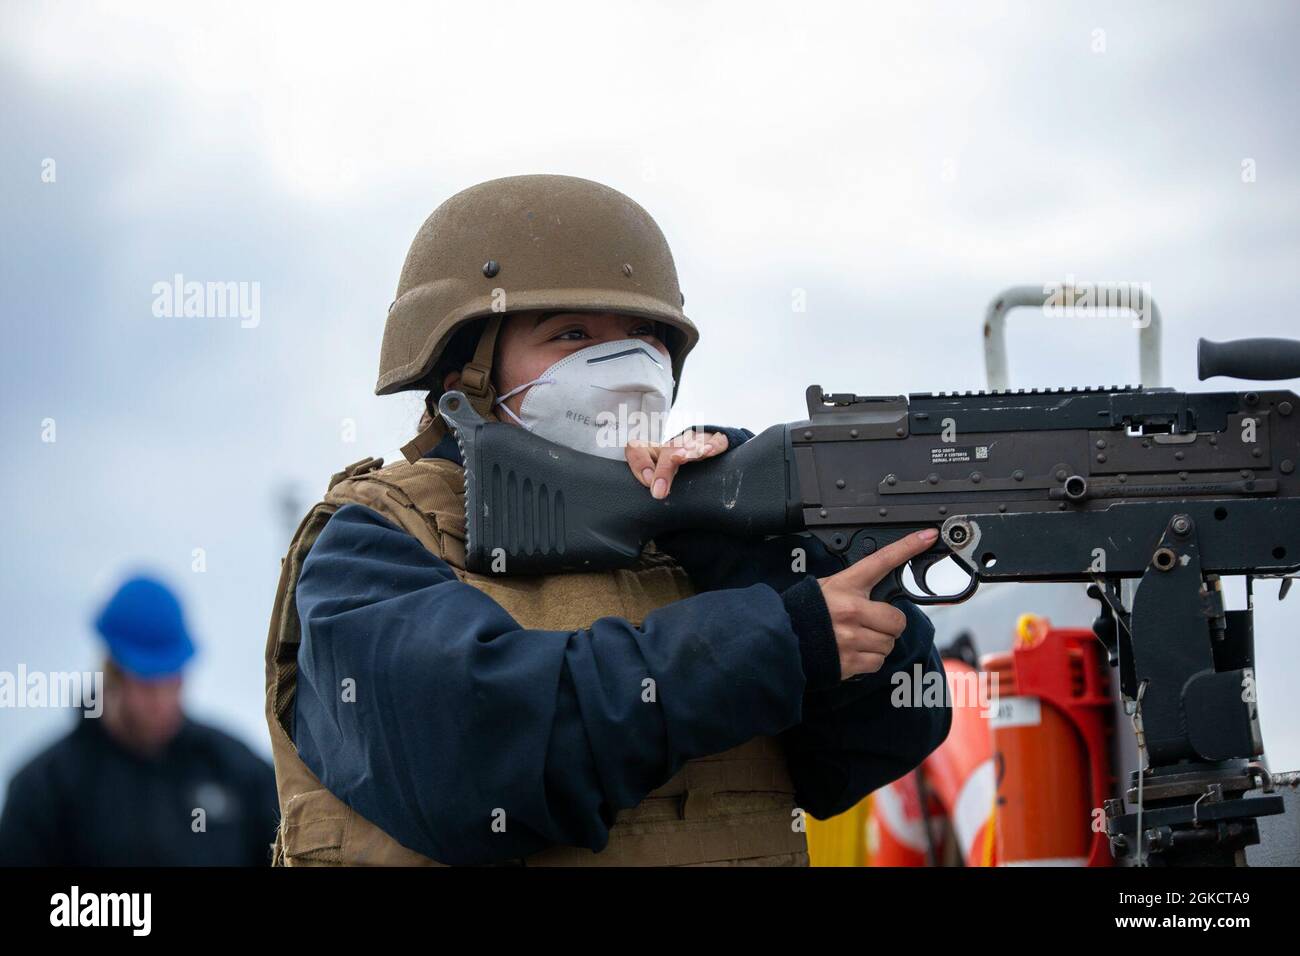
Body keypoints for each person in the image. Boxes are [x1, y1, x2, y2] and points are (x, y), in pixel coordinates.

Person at [264, 174, 951, 867]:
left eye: (643, 336)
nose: (624, 364)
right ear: (461, 376)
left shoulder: (684, 536)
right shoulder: (372, 542)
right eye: (571, 335)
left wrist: (745, 537)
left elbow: (885, 736)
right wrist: (777, 639)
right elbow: (483, 758)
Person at [0, 575, 278, 866]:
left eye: (174, 681)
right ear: (112, 676)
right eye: (148, 686)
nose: (164, 701)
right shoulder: (44, 790)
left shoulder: (235, 770)